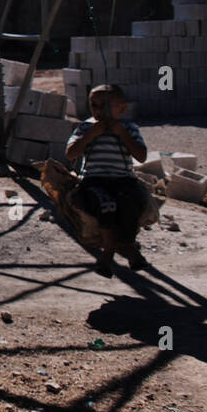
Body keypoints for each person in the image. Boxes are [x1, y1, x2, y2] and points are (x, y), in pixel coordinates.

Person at [65, 83, 150, 277]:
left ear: (122, 108)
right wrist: (90, 135)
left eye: (106, 106)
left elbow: (141, 156)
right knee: (105, 204)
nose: (99, 111)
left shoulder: (129, 127)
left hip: (123, 180)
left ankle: (127, 246)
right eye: (94, 106)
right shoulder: (86, 127)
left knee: (128, 202)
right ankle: (110, 250)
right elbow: (70, 154)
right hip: (94, 181)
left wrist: (122, 134)